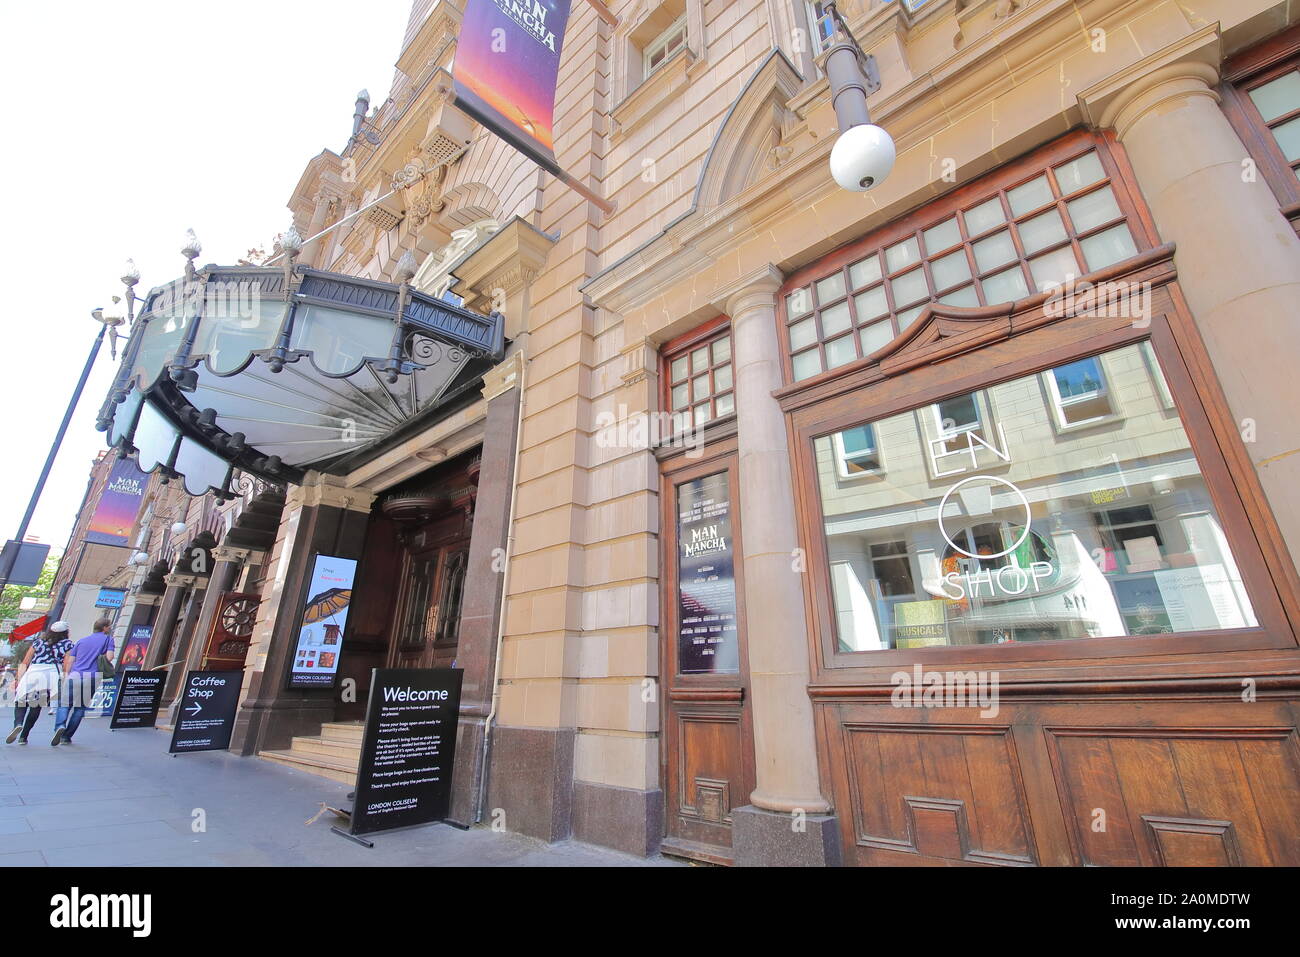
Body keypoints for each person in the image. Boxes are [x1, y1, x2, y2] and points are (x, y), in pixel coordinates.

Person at [6, 622, 74, 745]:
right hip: (51, 674)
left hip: (34, 671)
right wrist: (63, 678)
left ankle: (18, 723)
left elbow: (25, 661)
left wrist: (17, 679)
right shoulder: (68, 644)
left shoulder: (38, 642)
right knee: (36, 705)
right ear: (65, 632)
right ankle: (23, 737)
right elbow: (66, 664)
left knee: (21, 700)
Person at [53, 618, 116, 746]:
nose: (110, 628)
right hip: (92, 677)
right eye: (109, 626)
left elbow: (71, 660)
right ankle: (66, 737)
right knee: (80, 708)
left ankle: (60, 726)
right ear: (104, 628)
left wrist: (67, 676)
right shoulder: (108, 639)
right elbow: (110, 657)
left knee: (64, 704)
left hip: (75, 675)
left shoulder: (81, 641)